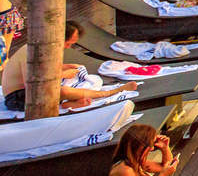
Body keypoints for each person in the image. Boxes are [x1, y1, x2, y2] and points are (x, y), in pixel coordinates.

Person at [2, 22, 136, 111]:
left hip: (30, 91)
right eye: (68, 43)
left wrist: (64, 67)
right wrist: (62, 74)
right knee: (63, 90)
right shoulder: (33, 50)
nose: (68, 47)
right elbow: (33, 84)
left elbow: (44, 71)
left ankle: (66, 104)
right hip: (17, 97)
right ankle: (109, 93)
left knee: (67, 84)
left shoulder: (44, 47)